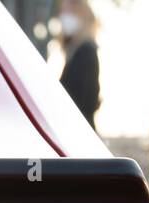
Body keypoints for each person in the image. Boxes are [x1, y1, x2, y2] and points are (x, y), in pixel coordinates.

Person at [58, 0, 100, 129]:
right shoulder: (75, 53)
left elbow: (86, 100)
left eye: (68, 12)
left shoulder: (86, 52)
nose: (63, 17)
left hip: (78, 132)